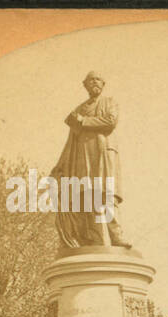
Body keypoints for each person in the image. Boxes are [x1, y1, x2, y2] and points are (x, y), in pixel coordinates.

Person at [51, 70, 129, 248]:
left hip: (103, 152)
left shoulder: (110, 103)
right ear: (84, 85)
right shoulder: (78, 110)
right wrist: (61, 165)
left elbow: (110, 121)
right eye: (90, 80)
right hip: (82, 155)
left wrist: (83, 122)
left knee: (107, 194)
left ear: (103, 84)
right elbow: (71, 139)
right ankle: (93, 238)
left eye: (98, 80)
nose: (94, 83)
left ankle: (116, 236)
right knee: (87, 196)